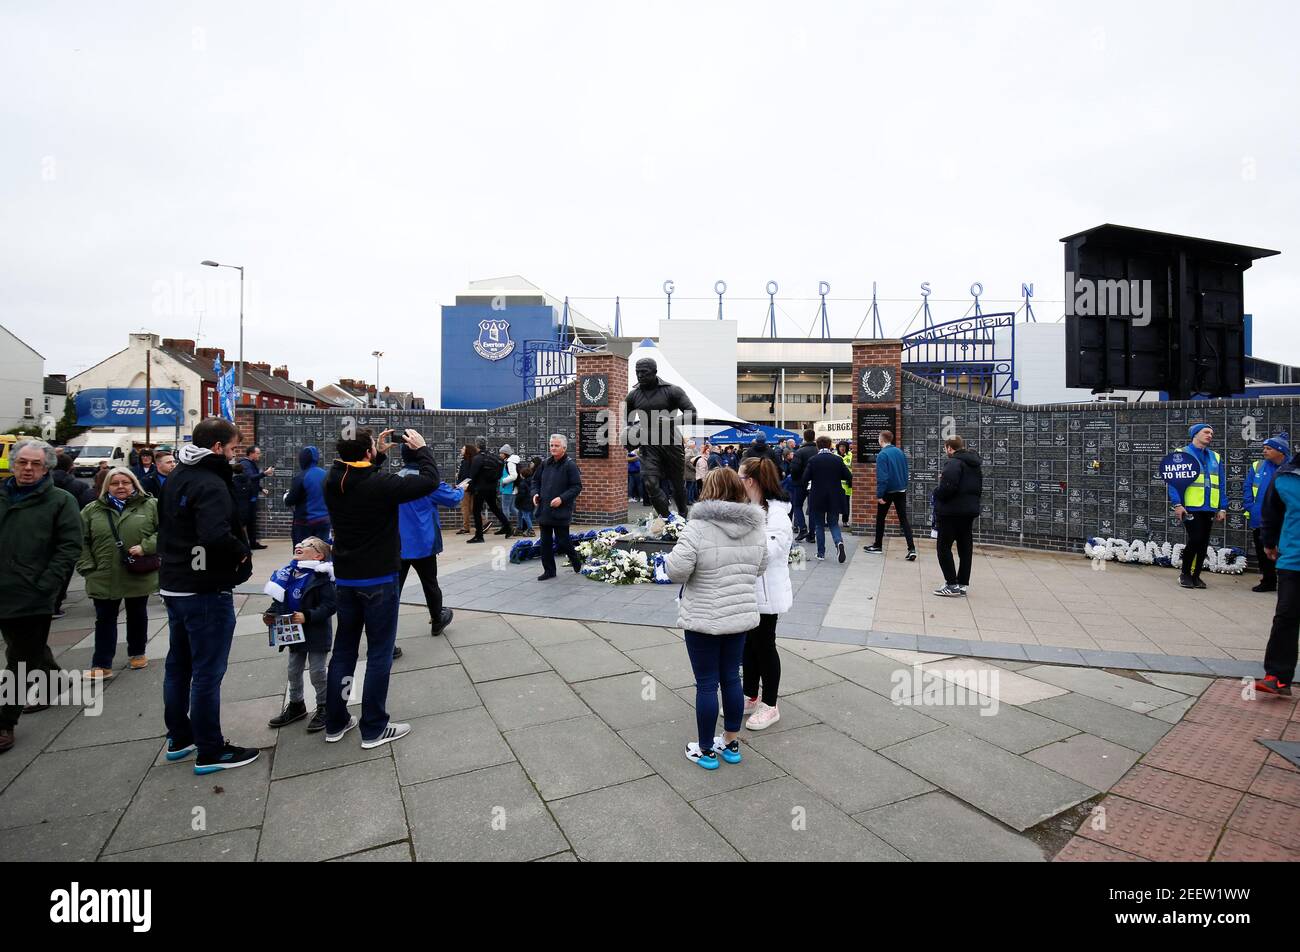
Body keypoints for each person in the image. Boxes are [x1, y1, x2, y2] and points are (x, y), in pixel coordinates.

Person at [323, 427, 438, 749]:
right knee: (379, 653)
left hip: (345, 579)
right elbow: (428, 482)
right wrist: (423, 449)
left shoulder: (333, 479)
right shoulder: (381, 485)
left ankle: (336, 720)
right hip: (378, 580)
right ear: (368, 454)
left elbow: (360, 476)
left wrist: (377, 453)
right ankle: (373, 727)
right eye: (373, 447)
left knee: (344, 651)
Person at [158, 418, 258, 773]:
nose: (235, 455)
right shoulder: (211, 482)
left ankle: (179, 736)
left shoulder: (178, 474)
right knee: (206, 672)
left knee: (178, 666)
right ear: (217, 447)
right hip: (203, 590)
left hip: (174, 585)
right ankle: (211, 750)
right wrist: (242, 552)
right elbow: (214, 535)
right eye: (232, 448)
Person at [664, 466, 768, 770]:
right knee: (731, 679)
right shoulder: (756, 527)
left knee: (707, 684)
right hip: (739, 615)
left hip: (703, 617)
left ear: (708, 490)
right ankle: (731, 742)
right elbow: (760, 567)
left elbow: (677, 571)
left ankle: (706, 750)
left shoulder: (697, 528)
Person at [0, 439, 81, 755]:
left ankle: (4, 721)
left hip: (33, 594)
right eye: (22, 463)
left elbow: (70, 546)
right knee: (28, 649)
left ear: (47, 468)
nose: (28, 469)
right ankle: (55, 682)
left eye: (36, 464)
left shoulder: (60, 501)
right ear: (13, 464)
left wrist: (46, 583)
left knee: (19, 660)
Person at [77, 466, 159, 680]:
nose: (121, 487)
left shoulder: (150, 505)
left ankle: (137, 653)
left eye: (125, 482)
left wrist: (146, 546)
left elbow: (166, 531)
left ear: (134, 484)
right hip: (103, 574)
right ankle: (102, 663)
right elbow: (79, 541)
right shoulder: (92, 510)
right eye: (115, 483)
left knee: (137, 614)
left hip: (137, 571)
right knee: (104, 618)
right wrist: (87, 567)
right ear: (107, 486)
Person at [738, 457, 792, 731]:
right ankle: (750, 695)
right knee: (749, 645)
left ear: (751, 481)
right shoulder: (751, 508)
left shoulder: (777, 515)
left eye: (741, 477)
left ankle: (770, 704)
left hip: (768, 592)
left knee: (764, 646)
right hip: (750, 590)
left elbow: (768, 553)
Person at [263, 536, 336, 732]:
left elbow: (330, 606)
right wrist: (271, 614)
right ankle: (297, 705)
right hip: (293, 634)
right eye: (300, 544)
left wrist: (308, 616)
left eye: (307, 545)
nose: (299, 546)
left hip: (316, 634)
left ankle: (324, 706)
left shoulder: (322, 577)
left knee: (317, 672)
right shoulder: (287, 575)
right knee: (293, 671)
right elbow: (279, 600)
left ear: (319, 555)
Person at [397, 441, 462, 636]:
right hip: (423, 543)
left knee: (393, 591)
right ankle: (437, 619)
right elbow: (453, 499)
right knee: (430, 583)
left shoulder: (393, 480)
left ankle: (386, 636)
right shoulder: (429, 483)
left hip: (397, 545)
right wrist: (461, 489)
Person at [625, 357, 697, 518]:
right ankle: (667, 520)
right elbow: (627, 420)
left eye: (644, 372)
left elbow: (692, 413)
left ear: (655, 372)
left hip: (671, 442)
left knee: (678, 485)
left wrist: (672, 420)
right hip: (648, 444)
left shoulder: (673, 391)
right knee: (650, 483)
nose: (640, 375)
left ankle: (683, 516)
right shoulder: (633, 396)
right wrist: (629, 432)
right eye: (637, 372)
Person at [1258, 447, 1300, 697]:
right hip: (1293, 559)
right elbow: (1271, 512)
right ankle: (1277, 676)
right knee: (1285, 616)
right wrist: (1269, 542)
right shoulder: (1286, 476)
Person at [1169, 423, 1226, 589]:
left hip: (1209, 506)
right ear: (1195, 434)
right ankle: (1185, 574)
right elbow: (1173, 482)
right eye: (1206, 432)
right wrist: (1177, 504)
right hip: (1190, 506)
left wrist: (1222, 507)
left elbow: (1221, 483)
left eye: (1212, 433)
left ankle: (1196, 576)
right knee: (1196, 539)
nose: (1210, 435)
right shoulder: (1182, 454)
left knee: (1203, 542)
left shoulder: (1215, 457)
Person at [932, 436, 983, 598]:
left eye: (945, 448)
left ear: (949, 448)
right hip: (968, 512)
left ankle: (951, 584)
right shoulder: (974, 464)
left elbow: (948, 488)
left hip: (951, 512)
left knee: (943, 548)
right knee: (965, 548)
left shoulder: (953, 463)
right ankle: (962, 584)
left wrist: (937, 492)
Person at [533, 434, 583, 580]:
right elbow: (535, 481)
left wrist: (562, 498)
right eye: (551, 445)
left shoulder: (570, 465)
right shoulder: (545, 463)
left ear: (564, 448)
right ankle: (549, 571)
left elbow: (576, 487)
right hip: (545, 510)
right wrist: (535, 494)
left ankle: (575, 558)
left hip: (560, 511)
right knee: (545, 542)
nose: (553, 448)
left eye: (556, 446)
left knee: (563, 541)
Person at [863, 430, 917, 561]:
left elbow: (882, 477)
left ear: (881, 440)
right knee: (903, 520)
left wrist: (880, 495)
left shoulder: (882, 454)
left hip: (888, 491)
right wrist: (904, 486)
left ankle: (878, 545)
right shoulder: (900, 452)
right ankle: (912, 549)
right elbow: (906, 471)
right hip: (901, 490)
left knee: (880, 518)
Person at [1244, 434, 1287, 593]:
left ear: (1280, 451)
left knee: (1284, 551)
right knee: (1263, 551)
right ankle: (1268, 580)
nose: (1265, 451)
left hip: (1284, 519)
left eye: (1269, 448)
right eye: (1264, 448)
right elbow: (1248, 487)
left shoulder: (1290, 468)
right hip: (1259, 517)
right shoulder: (1258, 466)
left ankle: (1286, 582)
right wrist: (1250, 506)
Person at [803, 436, 851, 562]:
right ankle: (839, 543)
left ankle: (821, 553)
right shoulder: (837, 460)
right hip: (834, 496)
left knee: (819, 526)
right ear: (830, 445)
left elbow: (805, 478)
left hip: (817, 496)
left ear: (818, 446)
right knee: (833, 524)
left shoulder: (813, 460)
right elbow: (848, 476)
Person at [465, 437, 512, 543]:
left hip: (480, 489)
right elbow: (499, 474)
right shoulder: (495, 458)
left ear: (477, 446)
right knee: (495, 508)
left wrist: (470, 487)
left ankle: (479, 536)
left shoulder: (477, 458)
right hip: (492, 488)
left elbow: (473, 475)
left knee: (476, 510)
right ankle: (508, 527)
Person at [284, 445, 330, 545]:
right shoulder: (326, 475)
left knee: (303, 555)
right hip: (324, 521)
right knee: (322, 552)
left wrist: (286, 496)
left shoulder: (301, 477)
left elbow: (290, 500)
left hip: (305, 523)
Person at [238, 445, 275, 550]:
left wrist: (261, 489)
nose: (259, 455)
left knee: (251, 522)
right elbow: (250, 477)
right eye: (258, 453)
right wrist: (265, 473)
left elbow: (252, 482)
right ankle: (243, 545)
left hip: (251, 498)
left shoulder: (251, 464)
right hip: (246, 499)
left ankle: (253, 543)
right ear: (251, 453)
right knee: (245, 521)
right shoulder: (245, 464)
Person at [788, 429, 818, 542]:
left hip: (800, 483)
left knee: (797, 506)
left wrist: (795, 479)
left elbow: (794, 468)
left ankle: (803, 528)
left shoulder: (800, 452)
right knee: (812, 509)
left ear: (804, 438)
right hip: (814, 483)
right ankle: (812, 535)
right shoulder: (817, 450)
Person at [454, 443, 477, 534]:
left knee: (465, 507)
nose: (461, 450)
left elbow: (465, 476)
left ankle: (466, 527)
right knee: (471, 507)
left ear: (467, 451)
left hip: (466, 487)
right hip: (470, 487)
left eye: (463, 449)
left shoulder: (466, 462)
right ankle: (485, 523)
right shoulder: (470, 461)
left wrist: (459, 485)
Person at [498, 444, 521, 529]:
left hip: (508, 488)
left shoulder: (510, 463)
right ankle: (523, 523)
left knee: (505, 508)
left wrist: (503, 481)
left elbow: (513, 476)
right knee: (512, 508)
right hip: (511, 488)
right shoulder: (511, 462)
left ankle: (505, 526)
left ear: (505, 454)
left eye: (501, 453)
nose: (500, 455)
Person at [515, 459, 537, 537]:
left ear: (523, 475)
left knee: (525, 516)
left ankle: (531, 530)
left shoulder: (522, 484)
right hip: (530, 502)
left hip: (524, 503)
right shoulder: (532, 482)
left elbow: (521, 494)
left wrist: (516, 501)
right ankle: (519, 528)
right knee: (520, 515)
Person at [836, 441, 854, 526]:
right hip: (836, 484)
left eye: (844, 446)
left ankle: (845, 521)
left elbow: (854, 469)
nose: (842, 448)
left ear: (847, 447)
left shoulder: (851, 456)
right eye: (840, 446)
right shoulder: (835, 455)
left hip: (847, 485)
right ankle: (834, 520)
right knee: (835, 503)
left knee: (846, 504)